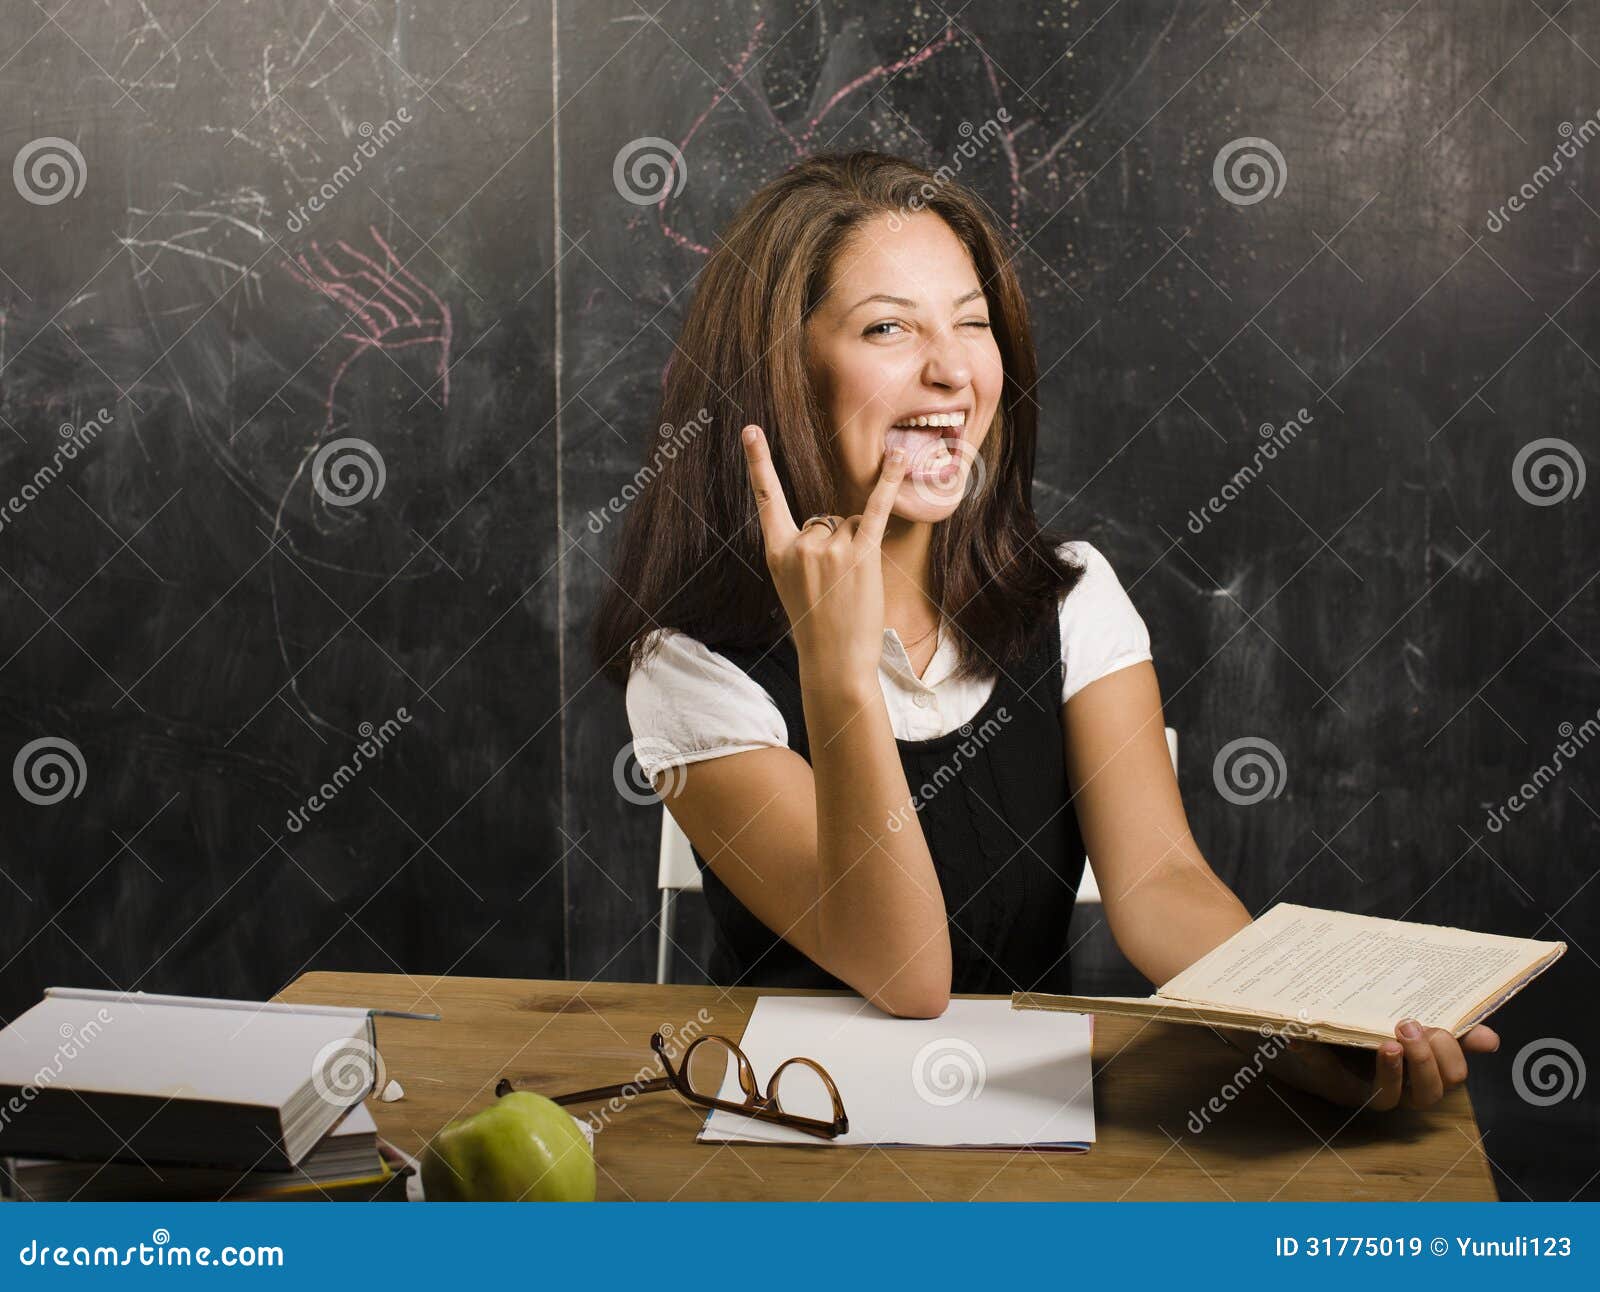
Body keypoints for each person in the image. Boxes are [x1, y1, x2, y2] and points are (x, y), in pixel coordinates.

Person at [591, 149, 1496, 1112]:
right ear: (784, 372)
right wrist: (839, 669)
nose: (951, 371)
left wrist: (1318, 1041)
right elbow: (906, 974)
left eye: (973, 325)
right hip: (790, 1142)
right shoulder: (687, 667)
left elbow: (1163, 891)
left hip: (1035, 1133)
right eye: (888, 327)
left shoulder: (1071, 596)